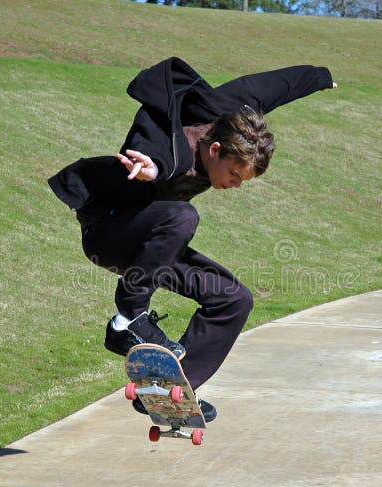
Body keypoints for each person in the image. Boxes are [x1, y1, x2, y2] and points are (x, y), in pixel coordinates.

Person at [49, 57, 335, 422]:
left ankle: (174, 390)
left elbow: (273, 86)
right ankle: (127, 320)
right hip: (108, 232)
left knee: (234, 299)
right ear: (214, 150)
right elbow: (151, 142)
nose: (234, 184)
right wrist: (152, 168)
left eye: (242, 179)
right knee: (184, 215)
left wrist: (320, 77)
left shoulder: (231, 116)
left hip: (154, 247)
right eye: (233, 174)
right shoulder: (171, 148)